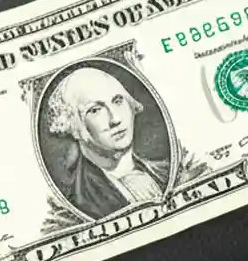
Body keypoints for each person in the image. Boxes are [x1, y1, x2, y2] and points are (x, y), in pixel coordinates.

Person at [45, 66, 170, 220]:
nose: (115, 119)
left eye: (118, 101)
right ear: (73, 125)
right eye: (96, 110)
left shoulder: (164, 171)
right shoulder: (78, 202)